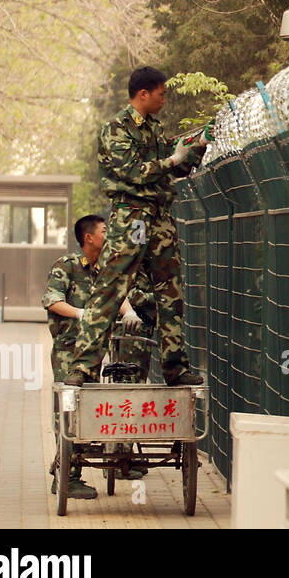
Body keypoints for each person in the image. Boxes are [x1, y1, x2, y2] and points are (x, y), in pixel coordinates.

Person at [64, 66, 209, 386]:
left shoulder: (154, 130)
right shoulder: (116, 128)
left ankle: (175, 367)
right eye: (161, 93)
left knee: (170, 294)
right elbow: (132, 172)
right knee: (110, 290)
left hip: (159, 218)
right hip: (132, 218)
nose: (164, 100)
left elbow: (172, 167)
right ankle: (84, 366)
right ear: (143, 93)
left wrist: (196, 147)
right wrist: (171, 161)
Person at [43, 214, 153, 497]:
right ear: (88, 237)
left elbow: (116, 295)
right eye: (105, 231)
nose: (109, 236)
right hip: (69, 350)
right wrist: (81, 313)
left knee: (90, 407)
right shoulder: (66, 266)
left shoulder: (105, 268)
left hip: (94, 352)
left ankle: (89, 462)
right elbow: (53, 301)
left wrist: (128, 312)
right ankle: (66, 477)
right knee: (68, 410)